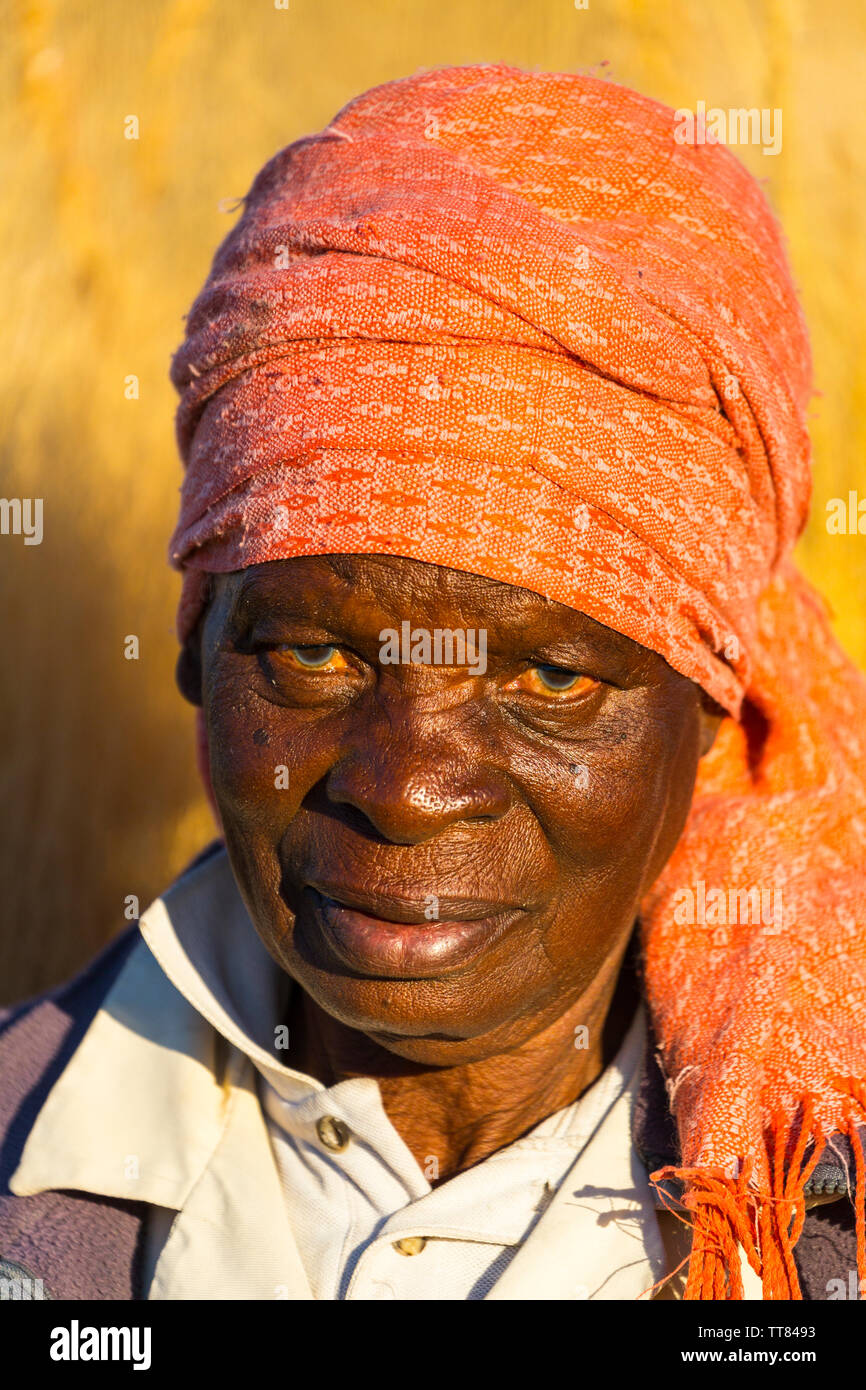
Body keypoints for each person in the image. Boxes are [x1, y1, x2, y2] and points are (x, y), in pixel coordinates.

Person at [1, 62, 865, 1302]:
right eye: (310, 655)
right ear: (198, 652)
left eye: (551, 677)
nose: (405, 789)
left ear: (710, 700)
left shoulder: (804, 1204)